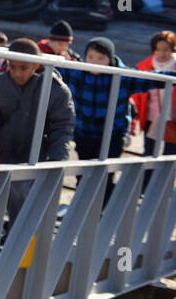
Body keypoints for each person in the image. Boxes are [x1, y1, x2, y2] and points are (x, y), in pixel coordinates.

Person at [0, 39, 75, 225]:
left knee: (21, 192)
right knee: (5, 195)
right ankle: (12, 234)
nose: (17, 73)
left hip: (38, 154)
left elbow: (63, 126)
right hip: (6, 151)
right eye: (12, 67)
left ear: (36, 65)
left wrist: (57, 158)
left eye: (23, 68)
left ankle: (19, 236)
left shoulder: (56, 90)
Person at [60, 38, 167, 201]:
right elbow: (49, 65)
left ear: (110, 59)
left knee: (106, 175)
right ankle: (82, 207)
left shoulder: (121, 76)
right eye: (91, 57)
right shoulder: (77, 72)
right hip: (84, 133)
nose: (95, 62)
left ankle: (104, 211)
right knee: (83, 174)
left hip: (112, 135)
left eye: (100, 58)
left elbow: (150, 78)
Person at [133, 30, 176, 156]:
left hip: (173, 118)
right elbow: (138, 96)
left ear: (172, 49)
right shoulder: (145, 66)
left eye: (166, 49)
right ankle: (147, 176)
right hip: (151, 116)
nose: (162, 53)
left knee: (171, 153)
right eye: (158, 49)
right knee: (149, 151)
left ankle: (166, 176)